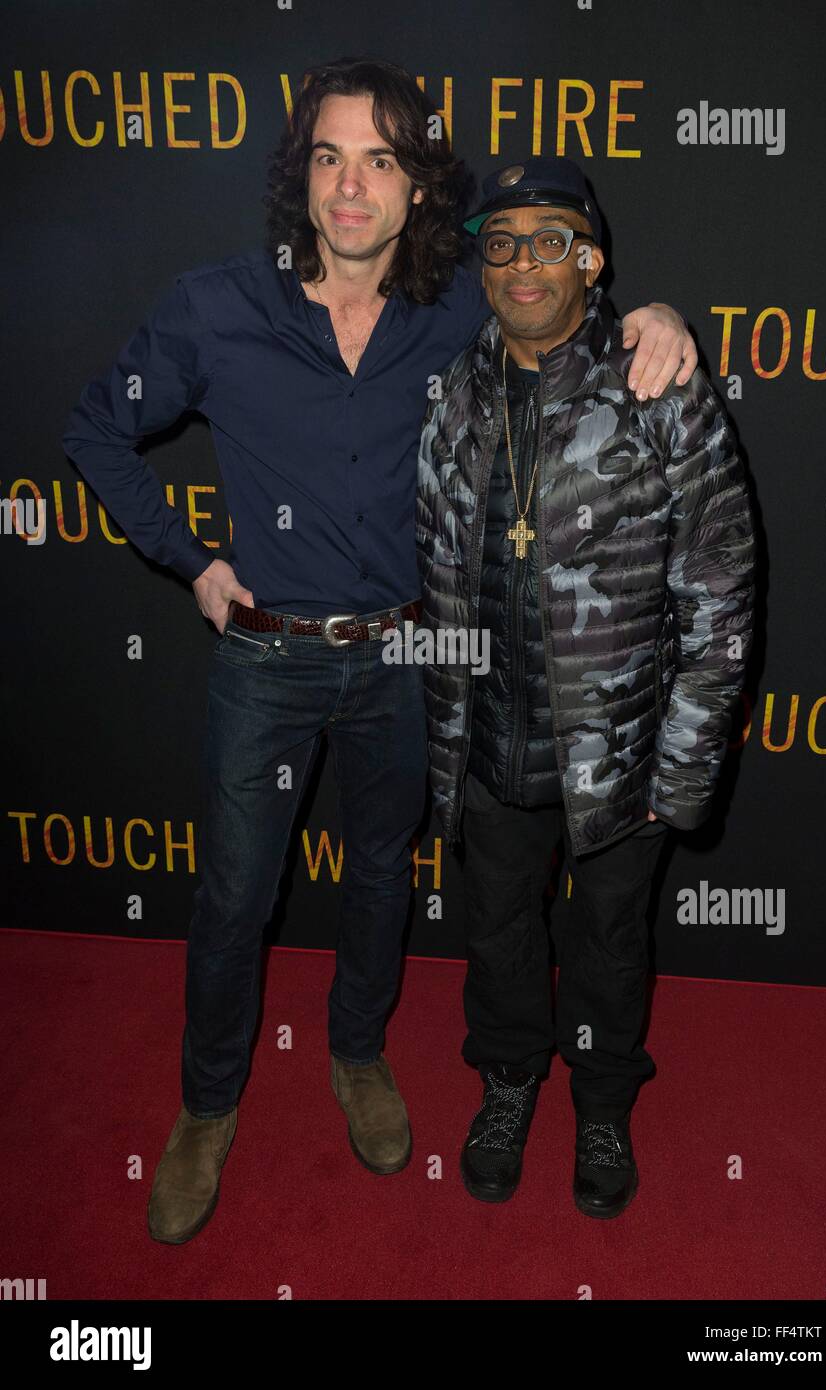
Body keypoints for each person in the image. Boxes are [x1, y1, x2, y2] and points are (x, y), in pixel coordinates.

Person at [62, 58, 698, 1245]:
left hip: (410, 661)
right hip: (265, 659)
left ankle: (356, 1052)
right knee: (234, 896)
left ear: (417, 193)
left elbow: (569, 315)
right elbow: (97, 427)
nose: (351, 186)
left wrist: (657, 318)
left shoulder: (452, 305)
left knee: (374, 880)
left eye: (381, 162)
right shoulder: (213, 307)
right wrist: (189, 562)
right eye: (329, 156)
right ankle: (208, 1105)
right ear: (301, 176)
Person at [416, 156, 755, 1218]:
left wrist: (682, 766)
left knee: (608, 941)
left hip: (616, 756)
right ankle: (509, 1082)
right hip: (483, 738)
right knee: (499, 929)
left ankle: (601, 1101)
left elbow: (720, 593)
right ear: (482, 262)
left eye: (550, 239)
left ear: (590, 259)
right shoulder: (454, 389)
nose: (523, 263)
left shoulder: (656, 386)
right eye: (502, 240)